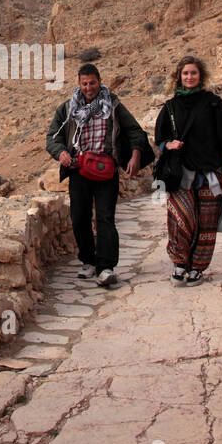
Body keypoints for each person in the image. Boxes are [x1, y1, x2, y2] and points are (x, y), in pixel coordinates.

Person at [46, 62, 154, 287]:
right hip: (78, 169)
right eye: (84, 83)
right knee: (79, 218)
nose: (88, 87)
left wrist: (135, 156)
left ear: (99, 81)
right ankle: (88, 261)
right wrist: (61, 153)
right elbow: (52, 138)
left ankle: (106, 267)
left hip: (106, 170)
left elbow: (134, 130)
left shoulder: (113, 105)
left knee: (105, 218)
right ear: (78, 83)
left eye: (92, 83)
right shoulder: (67, 109)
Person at [154, 55, 222, 285]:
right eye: (185, 73)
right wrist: (168, 145)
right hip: (180, 173)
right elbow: (159, 137)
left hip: (209, 172)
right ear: (179, 77)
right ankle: (180, 264)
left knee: (207, 222)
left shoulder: (213, 104)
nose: (189, 77)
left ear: (200, 76)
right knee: (180, 218)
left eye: (193, 73)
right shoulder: (171, 107)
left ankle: (198, 268)